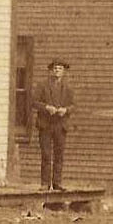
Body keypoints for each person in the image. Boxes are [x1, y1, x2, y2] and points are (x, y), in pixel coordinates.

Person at [32, 59, 75, 190]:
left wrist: (65, 110)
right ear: (51, 70)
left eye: (60, 69)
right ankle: (45, 183)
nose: (57, 71)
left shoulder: (68, 88)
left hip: (60, 126)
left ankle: (57, 183)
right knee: (46, 154)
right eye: (55, 68)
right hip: (45, 125)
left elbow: (73, 105)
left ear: (64, 72)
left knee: (59, 155)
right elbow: (34, 102)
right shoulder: (42, 85)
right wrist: (46, 107)